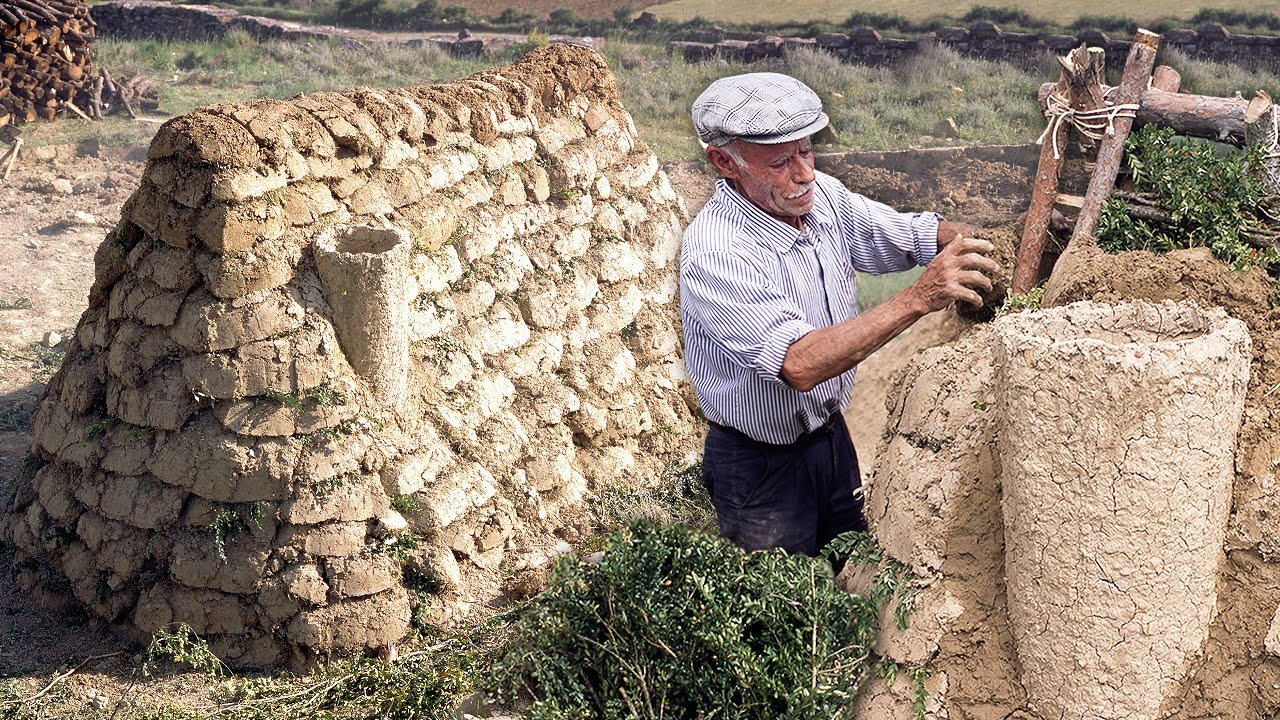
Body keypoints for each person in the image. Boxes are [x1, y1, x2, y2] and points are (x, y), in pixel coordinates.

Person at [679, 72, 998, 556]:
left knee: (849, 569)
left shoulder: (822, 195)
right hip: (758, 466)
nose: (804, 173)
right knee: (783, 609)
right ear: (725, 162)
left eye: (806, 151)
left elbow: (900, 233)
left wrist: (979, 241)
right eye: (781, 162)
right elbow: (800, 364)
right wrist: (917, 297)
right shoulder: (717, 249)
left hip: (830, 439)